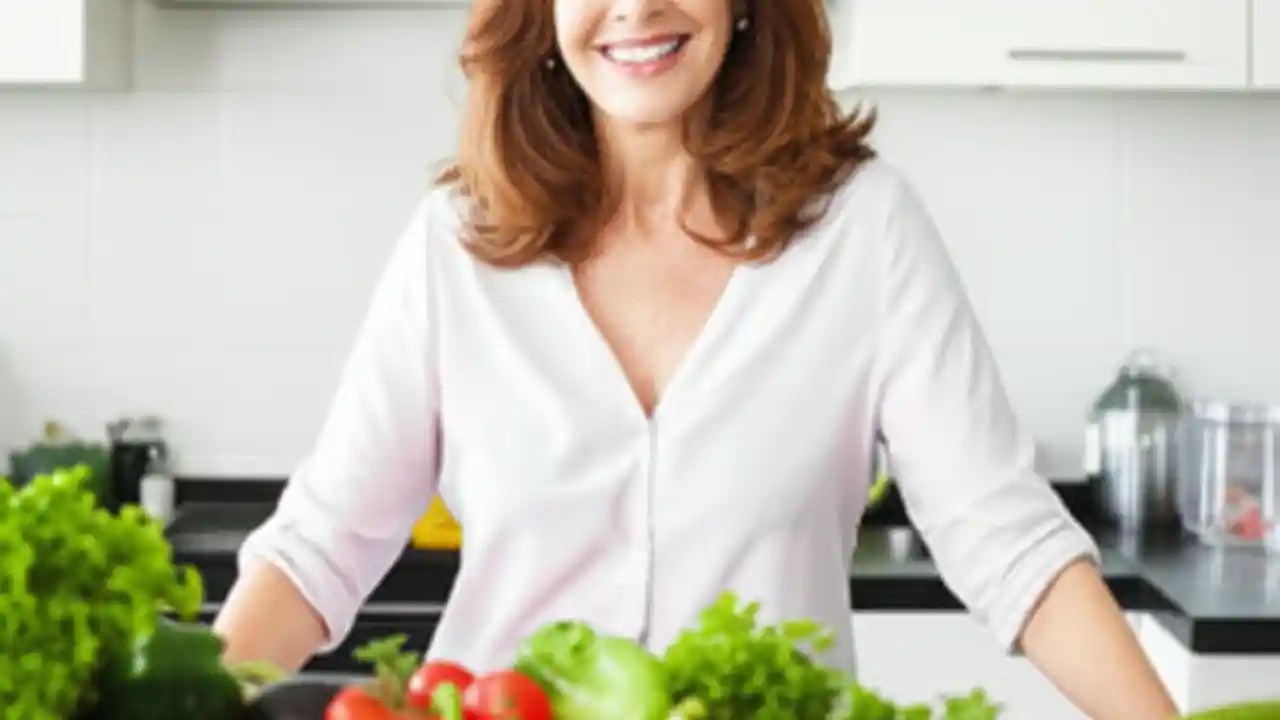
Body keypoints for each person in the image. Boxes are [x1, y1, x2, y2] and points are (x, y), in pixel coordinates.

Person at [213, 0, 1179, 717]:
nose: (635, 7)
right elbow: (319, 550)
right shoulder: (458, 244)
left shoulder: (862, 230)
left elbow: (1006, 543)